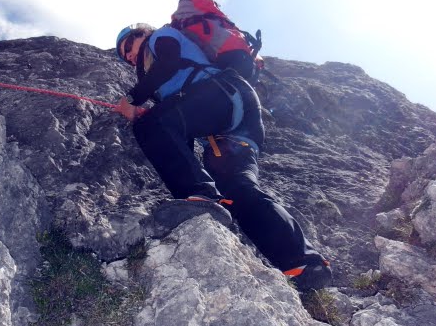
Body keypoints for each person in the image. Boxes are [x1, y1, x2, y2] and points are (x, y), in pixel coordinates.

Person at [114, 22, 333, 290]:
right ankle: (304, 265)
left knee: (149, 126)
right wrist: (155, 116)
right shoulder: (162, 75)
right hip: (236, 118)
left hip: (223, 93)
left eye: (128, 46)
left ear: (142, 33)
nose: (128, 56)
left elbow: (169, 62)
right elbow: (178, 127)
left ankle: (201, 195)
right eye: (124, 57)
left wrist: (133, 98)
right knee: (238, 190)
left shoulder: (162, 36)